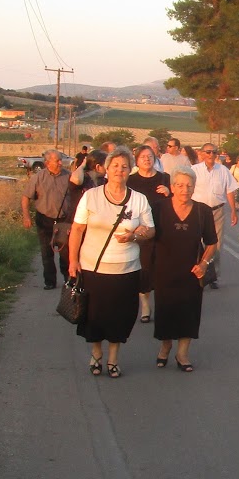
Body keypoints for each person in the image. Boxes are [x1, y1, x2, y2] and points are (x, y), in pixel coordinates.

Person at [67, 149, 153, 378]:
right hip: (93, 267)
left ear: (129, 170)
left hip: (126, 269)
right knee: (94, 315)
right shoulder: (91, 196)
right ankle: (96, 354)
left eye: (124, 166)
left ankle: (114, 358)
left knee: (120, 316)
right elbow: (77, 229)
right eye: (115, 166)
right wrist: (72, 260)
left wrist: (136, 235)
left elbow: (150, 230)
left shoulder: (138, 199)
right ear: (106, 169)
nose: (119, 170)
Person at [150, 169, 217, 372]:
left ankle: (182, 353)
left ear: (194, 187)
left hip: (192, 270)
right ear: (172, 187)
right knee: (165, 309)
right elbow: (148, 234)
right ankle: (166, 346)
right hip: (164, 269)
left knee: (190, 311)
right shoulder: (158, 208)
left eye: (189, 185)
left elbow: (212, 242)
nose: (184, 190)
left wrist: (204, 263)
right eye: (179, 185)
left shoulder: (202, 211)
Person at [20, 149, 75, 290]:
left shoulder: (69, 177)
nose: (60, 163)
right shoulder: (38, 178)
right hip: (44, 220)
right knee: (46, 252)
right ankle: (49, 281)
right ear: (47, 163)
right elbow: (26, 197)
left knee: (65, 253)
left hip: (63, 221)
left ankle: (68, 281)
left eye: (60, 159)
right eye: (57, 160)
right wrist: (26, 216)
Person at [129, 145, 171, 323]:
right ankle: (145, 305)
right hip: (142, 230)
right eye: (143, 157)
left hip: (163, 229)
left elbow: (175, 203)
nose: (147, 159)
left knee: (163, 268)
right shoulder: (130, 180)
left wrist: (169, 193)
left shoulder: (164, 178)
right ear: (136, 160)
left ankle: (164, 305)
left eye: (150, 156)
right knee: (144, 268)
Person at [190, 142, 238, 290]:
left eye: (214, 152)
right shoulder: (194, 170)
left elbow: (229, 190)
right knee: (197, 244)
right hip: (198, 211)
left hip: (217, 211)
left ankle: (213, 276)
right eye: (208, 152)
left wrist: (234, 211)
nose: (211, 155)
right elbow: (187, 188)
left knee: (215, 245)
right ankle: (197, 273)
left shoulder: (223, 170)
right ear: (202, 154)